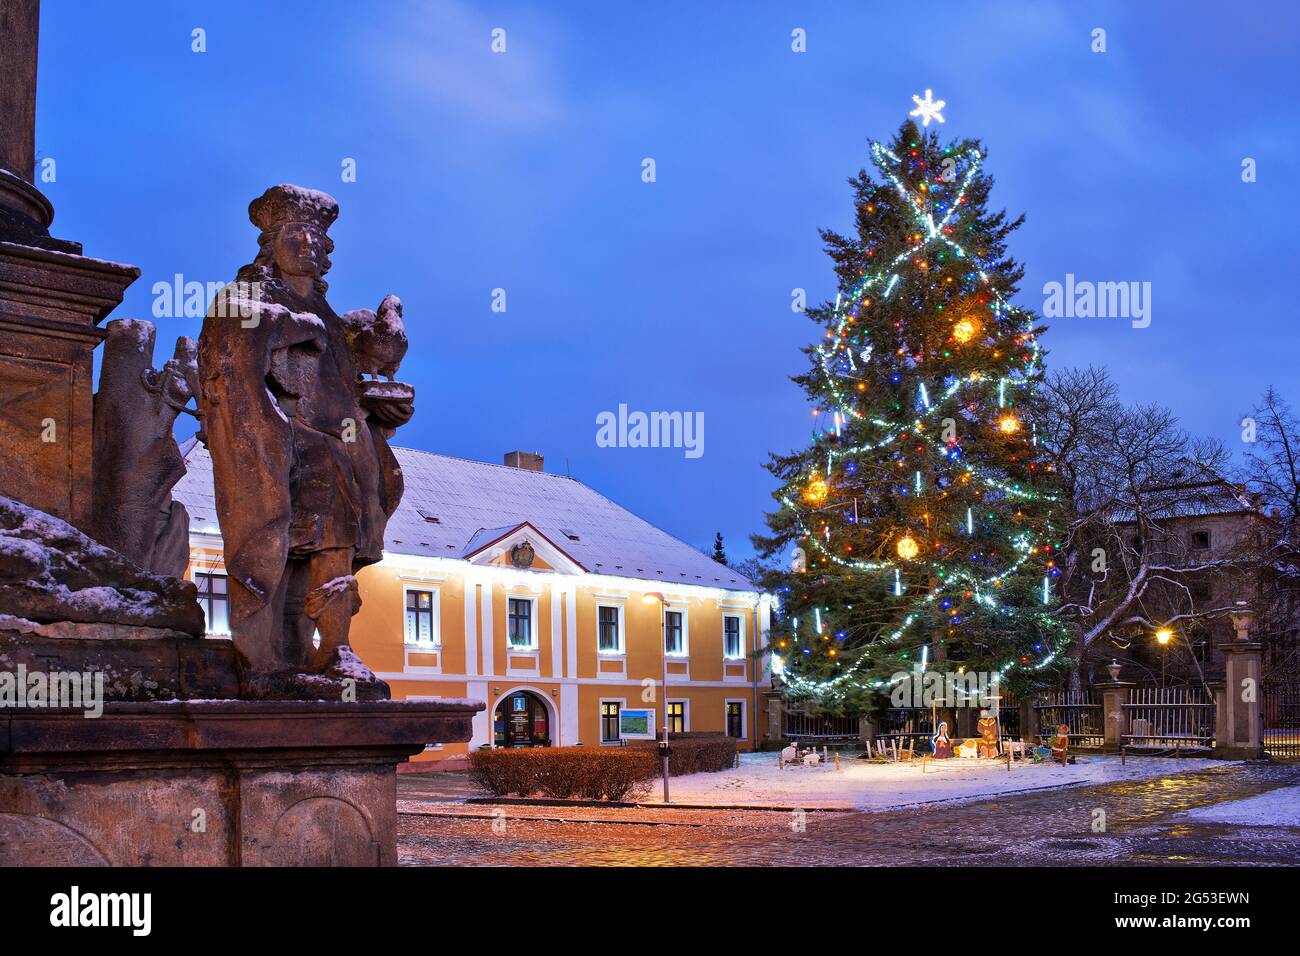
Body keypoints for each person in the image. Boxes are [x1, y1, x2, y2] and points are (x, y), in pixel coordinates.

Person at [196, 185, 411, 698]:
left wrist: (383, 405)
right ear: (272, 242)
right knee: (279, 547)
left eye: (318, 239)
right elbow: (225, 342)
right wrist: (292, 324)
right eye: (299, 235)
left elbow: (353, 378)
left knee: (336, 544)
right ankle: (267, 656)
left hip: (344, 448)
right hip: (285, 447)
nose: (311, 246)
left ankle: (333, 649)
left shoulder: (332, 316)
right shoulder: (250, 295)